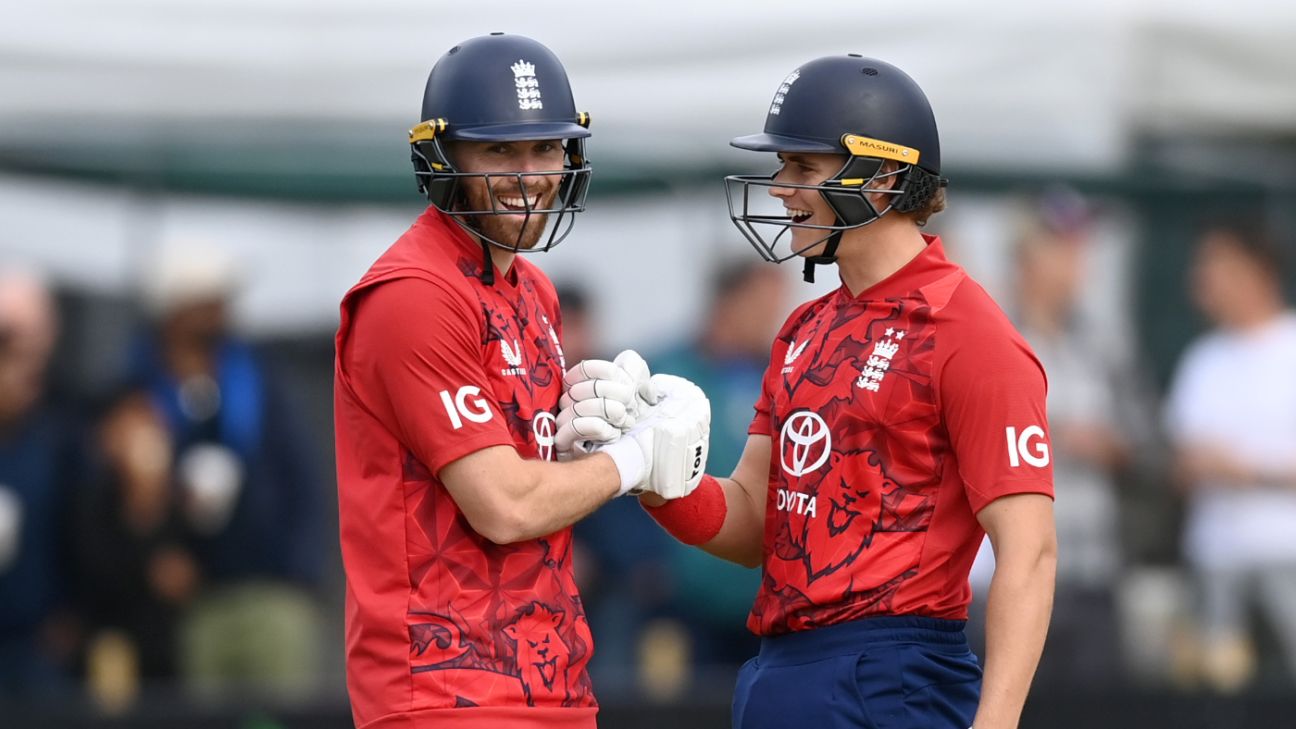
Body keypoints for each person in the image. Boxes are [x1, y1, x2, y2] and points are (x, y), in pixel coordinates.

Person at [560, 56, 1057, 729]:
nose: (780, 188)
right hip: (782, 667)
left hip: (892, 676)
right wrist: (652, 474)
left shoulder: (968, 333)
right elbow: (755, 522)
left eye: (802, 168)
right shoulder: (804, 329)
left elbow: (1029, 551)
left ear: (883, 178)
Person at [332, 33, 710, 729]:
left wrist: (601, 431)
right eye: (499, 150)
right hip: (444, 686)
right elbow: (504, 505)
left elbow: (531, 477)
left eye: (546, 148)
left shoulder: (534, 289)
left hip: (552, 676)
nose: (529, 174)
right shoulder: (412, 294)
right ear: (443, 157)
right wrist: (632, 458)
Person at [129, 241, 327, 699]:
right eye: (208, 301)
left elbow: (302, 476)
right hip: (194, 600)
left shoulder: (257, 376)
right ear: (176, 310)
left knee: (278, 716)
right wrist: (158, 555)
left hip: (273, 589)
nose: (221, 311)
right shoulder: (139, 389)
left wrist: (300, 574)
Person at [1164, 224, 1296, 692]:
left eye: (1215, 264)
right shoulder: (1201, 359)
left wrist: (1244, 471)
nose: (1202, 277)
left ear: (1257, 271)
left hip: (1286, 554)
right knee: (1216, 701)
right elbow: (1178, 462)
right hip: (1215, 560)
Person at [0, 269, 82, 702]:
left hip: (36, 641)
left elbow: (80, 531)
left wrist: (71, 612)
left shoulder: (57, 439)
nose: (24, 382)